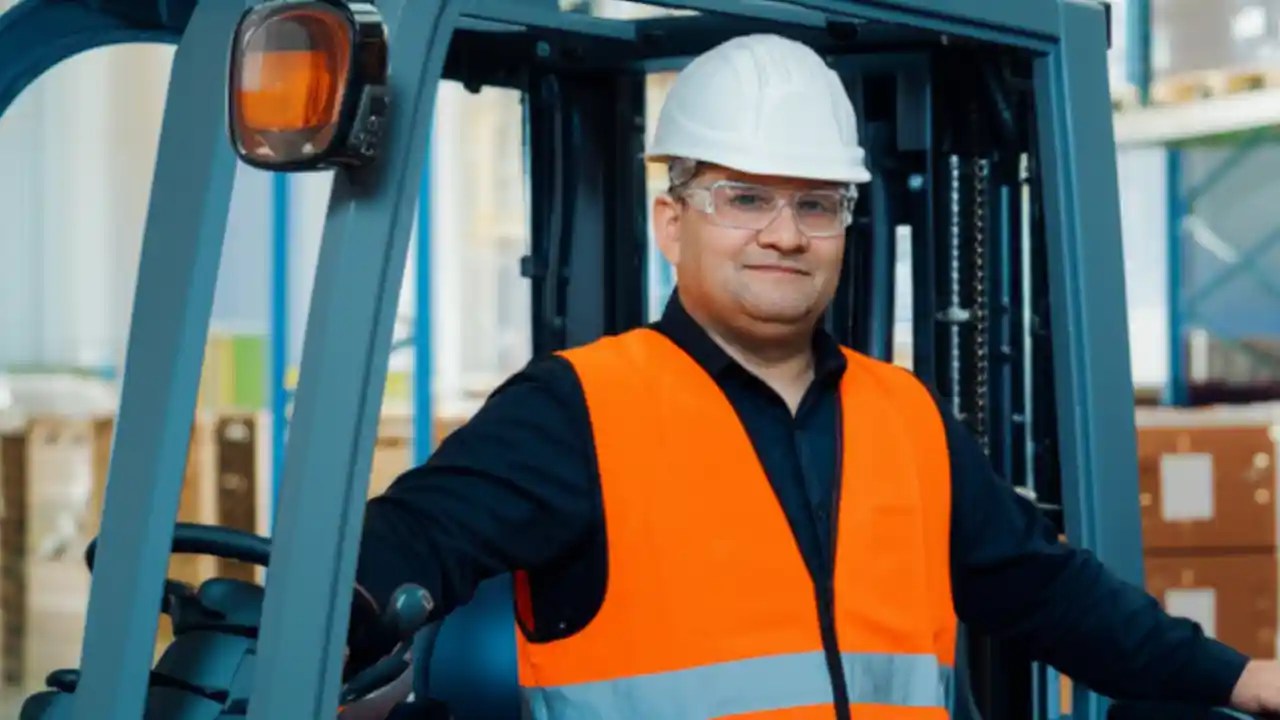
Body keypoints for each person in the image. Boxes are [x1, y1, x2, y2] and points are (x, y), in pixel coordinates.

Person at [349, 33, 1280, 718]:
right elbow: (406, 548)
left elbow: (1045, 592)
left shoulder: (905, 415)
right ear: (673, 223)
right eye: (743, 199)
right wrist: (275, 648)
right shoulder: (579, 408)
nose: (784, 234)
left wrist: (1238, 679)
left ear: (845, 224)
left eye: (815, 204)